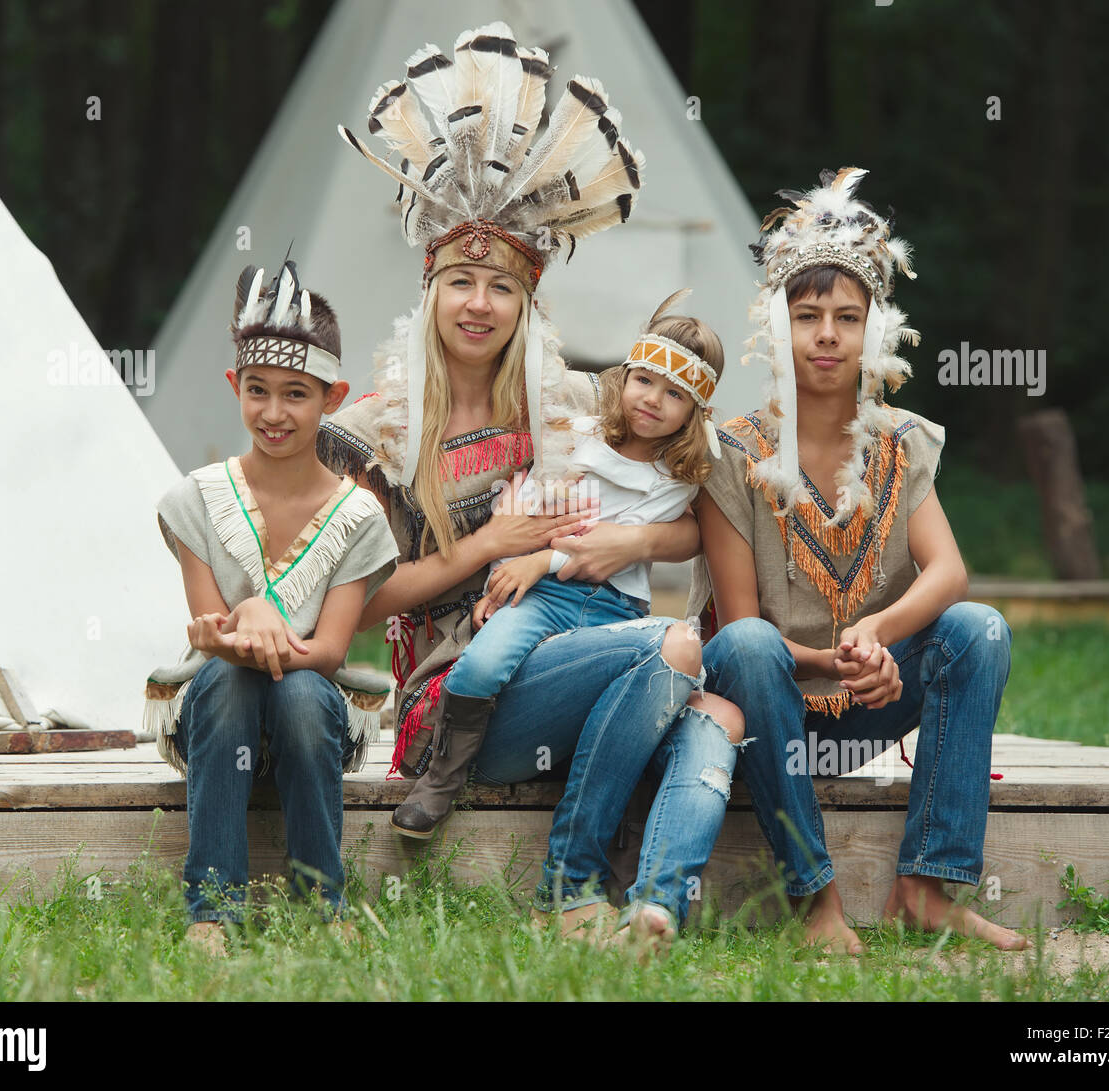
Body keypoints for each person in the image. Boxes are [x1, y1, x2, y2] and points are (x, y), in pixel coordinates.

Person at [320, 22, 727, 943]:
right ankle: (574, 883)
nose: (478, 303)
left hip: (575, 652)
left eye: (501, 287)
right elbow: (363, 599)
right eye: (461, 280)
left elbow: (698, 505)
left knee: (711, 710)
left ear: (528, 303)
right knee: (672, 651)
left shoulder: (573, 406)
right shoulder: (377, 429)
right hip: (450, 696)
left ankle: (658, 903)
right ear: (430, 288)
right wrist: (489, 546)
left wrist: (632, 541)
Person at [687, 168, 1026, 953]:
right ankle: (816, 900)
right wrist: (834, 662)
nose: (828, 335)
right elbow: (741, 626)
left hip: (879, 691)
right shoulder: (732, 452)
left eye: (847, 316)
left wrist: (876, 632)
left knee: (978, 629)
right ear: (777, 328)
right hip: (773, 709)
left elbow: (949, 573)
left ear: (875, 330)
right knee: (744, 645)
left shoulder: (900, 440)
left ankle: (927, 886)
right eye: (807, 317)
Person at [390, 290, 744, 847]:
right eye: (644, 380)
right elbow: (521, 512)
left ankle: (619, 832)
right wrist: (503, 578)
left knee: (627, 695)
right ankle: (442, 776)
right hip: (541, 596)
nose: (651, 400)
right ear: (623, 377)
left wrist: (541, 558)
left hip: (613, 607)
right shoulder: (575, 441)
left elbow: (600, 545)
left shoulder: (679, 480)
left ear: (695, 411)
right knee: (482, 664)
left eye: (675, 394)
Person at [144, 260, 398, 955]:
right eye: (257, 391)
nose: (274, 412)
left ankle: (323, 897)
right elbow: (210, 637)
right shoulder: (195, 499)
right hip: (218, 715)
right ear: (235, 387)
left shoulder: (358, 516)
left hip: (310, 715)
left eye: (296, 393)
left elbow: (331, 651)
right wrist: (238, 624)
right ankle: (213, 907)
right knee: (229, 678)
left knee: (300, 691)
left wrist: (256, 617)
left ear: (332, 396)